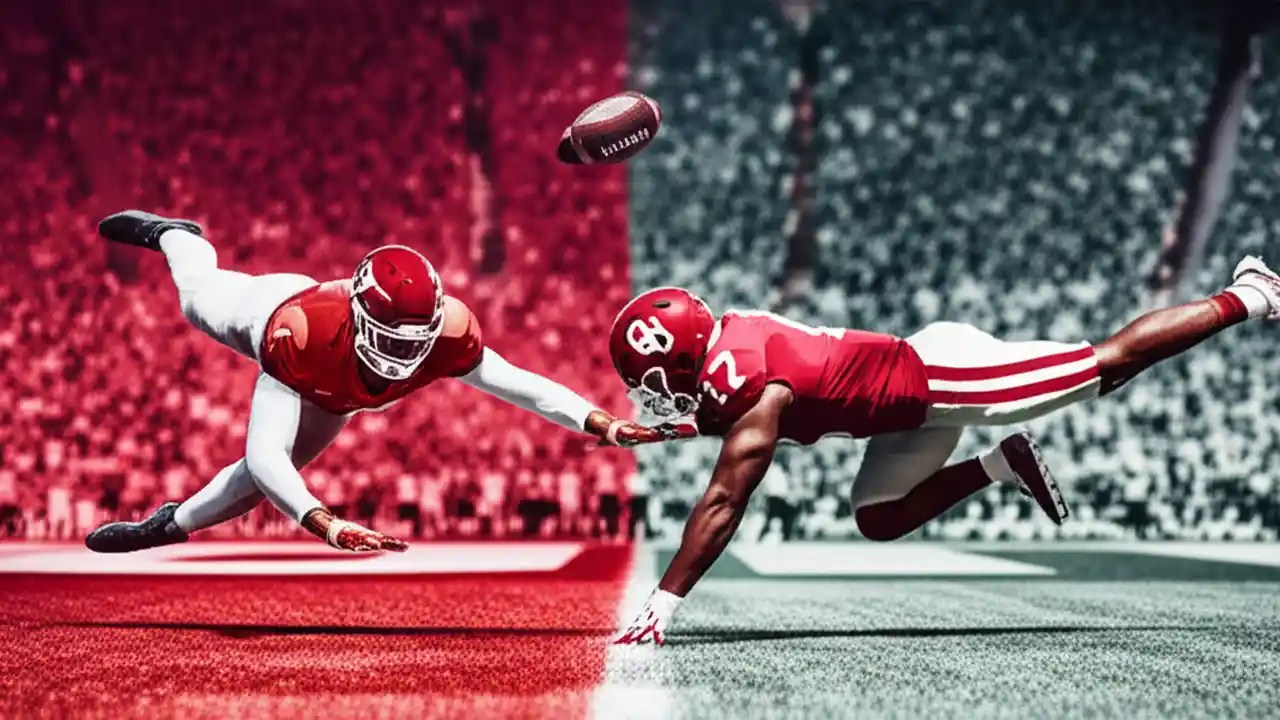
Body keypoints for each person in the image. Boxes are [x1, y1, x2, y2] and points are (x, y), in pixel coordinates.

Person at [609, 262, 1280, 644]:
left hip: (944, 378)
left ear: (679, 357)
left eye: (651, 380)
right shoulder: (735, 350)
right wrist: (667, 432)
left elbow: (727, 496)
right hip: (910, 405)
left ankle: (1250, 294)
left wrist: (665, 601)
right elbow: (730, 414)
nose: (653, 395)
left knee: (1110, 363)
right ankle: (1002, 463)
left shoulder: (751, 384)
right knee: (879, 514)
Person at [85, 210, 660, 554]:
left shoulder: (448, 333)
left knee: (269, 485)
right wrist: (325, 524)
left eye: (416, 339)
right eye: (390, 336)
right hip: (268, 314)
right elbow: (263, 453)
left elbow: (517, 384)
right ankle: (173, 233)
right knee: (195, 297)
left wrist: (600, 421)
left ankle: (167, 525)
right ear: (359, 317)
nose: (405, 354)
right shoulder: (302, 333)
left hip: (337, 385)